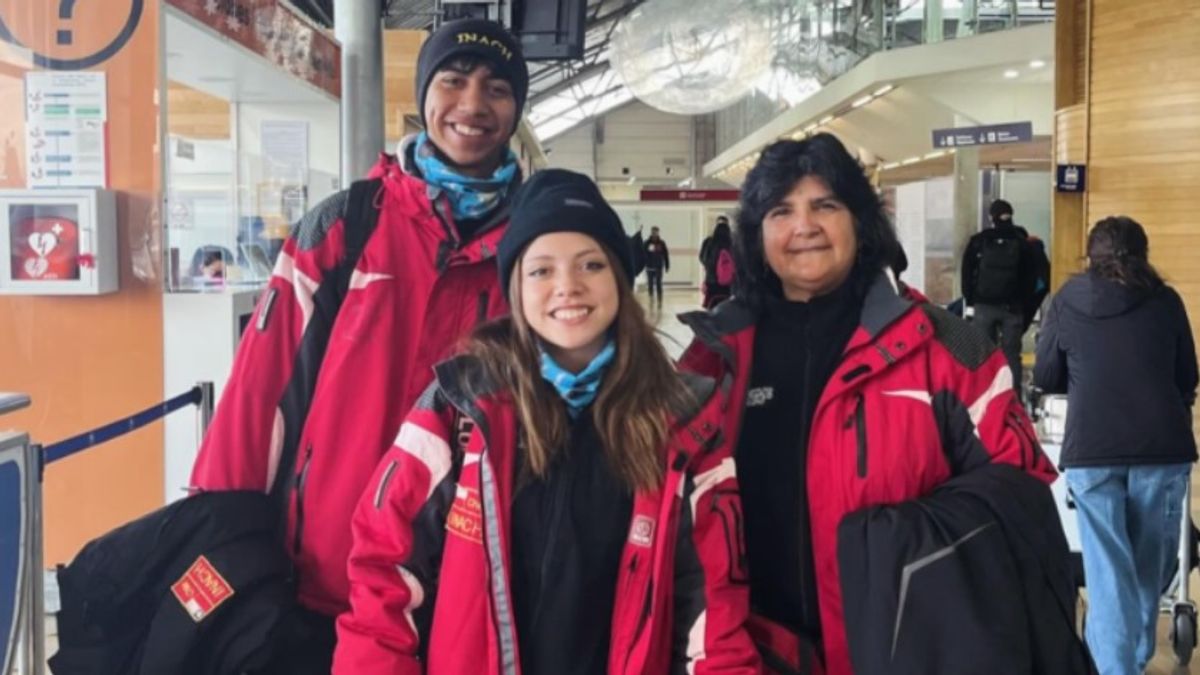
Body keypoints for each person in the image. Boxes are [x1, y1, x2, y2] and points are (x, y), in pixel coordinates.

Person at [188, 19, 529, 672]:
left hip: (476, 572)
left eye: (497, 88)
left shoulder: (534, 247)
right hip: (325, 571)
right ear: (425, 93)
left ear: (516, 108)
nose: (473, 105)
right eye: (453, 81)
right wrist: (219, 537)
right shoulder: (348, 225)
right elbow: (259, 395)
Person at [333, 169, 760, 674]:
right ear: (515, 286)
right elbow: (385, 569)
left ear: (621, 280)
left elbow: (713, 603)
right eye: (540, 270)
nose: (568, 287)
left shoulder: (681, 417)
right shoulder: (460, 406)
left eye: (591, 264)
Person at [679, 134, 1055, 675]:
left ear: (860, 220)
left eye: (825, 205)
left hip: (911, 655)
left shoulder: (949, 351)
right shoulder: (710, 361)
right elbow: (675, 539)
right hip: (752, 657)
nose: (804, 226)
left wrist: (901, 548)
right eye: (781, 210)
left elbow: (1024, 506)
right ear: (756, 235)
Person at [1035, 216, 1198, 675]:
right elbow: (1188, 376)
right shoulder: (1166, 301)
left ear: (1091, 256)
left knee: (1108, 574)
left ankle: (1117, 665)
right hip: (1162, 450)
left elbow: (1047, 376)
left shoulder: (1066, 300)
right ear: (1143, 254)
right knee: (1149, 570)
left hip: (1092, 449)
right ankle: (1129, 661)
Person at [961, 199, 1042, 390]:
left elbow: (966, 274)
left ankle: (985, 395)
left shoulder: (979, 241)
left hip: (984, 307)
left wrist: (971, 300)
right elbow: (1031, 277)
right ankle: (1012, 399)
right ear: (1011, 215)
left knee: (983, 354)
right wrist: (1023, 302)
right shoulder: (1022, 242)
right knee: (1012, 355)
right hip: (1012, 308)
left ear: (992, 217)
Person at [700, 215, 735, 308]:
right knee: (727, 307)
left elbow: (702, 258)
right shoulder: (733, 242)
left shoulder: (708, 242)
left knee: (712, 307)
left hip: (712, 281)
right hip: (730, 282)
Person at [642, 225, 670, 308]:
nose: (654, 234)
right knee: (650, 284)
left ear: (658, 233)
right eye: (653, 232)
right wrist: (644, 263)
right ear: (651, 232)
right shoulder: (646, 243)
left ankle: (659, 300)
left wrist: (667, 265)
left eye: (656, 232)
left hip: (658, 267)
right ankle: (651, 298)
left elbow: (665, 254)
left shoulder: (662, 243)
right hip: (649, 267)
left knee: (658, 284)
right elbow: (642, 254)